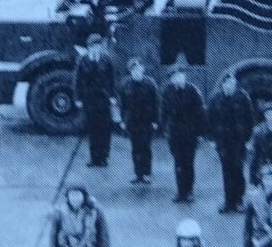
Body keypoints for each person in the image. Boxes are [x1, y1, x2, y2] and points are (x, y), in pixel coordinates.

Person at [161, 60, 207, 204]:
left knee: (189, 162)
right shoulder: (167, 91)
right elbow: (163, 112)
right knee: (178, 162)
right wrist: (164, 129)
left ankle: (189, 191)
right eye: (175, 77)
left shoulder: (192, 91)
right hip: (175, 133)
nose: (178, 79)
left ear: (185, 77)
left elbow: (200, 113)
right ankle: (180, 191)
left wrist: (200, 133)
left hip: (190, 133)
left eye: (180, 76)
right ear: (172, 79)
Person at [208, 71, 254, 213]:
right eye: (227, 83)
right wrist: (212, 139)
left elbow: (250, 119)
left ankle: (239, 201)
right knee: (226, 171)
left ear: (235, 84)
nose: (229, 86)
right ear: (222, 85)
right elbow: (210, 120)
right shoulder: (216, 99)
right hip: (223, 141)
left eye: (232, 84)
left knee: (238, 170)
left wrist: (249, 139)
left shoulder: (243, 98)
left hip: (239, 140)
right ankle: (228, 201)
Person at [73, 33, 116, 168]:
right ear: (89, 47)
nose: (95, 49)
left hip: (103, 99)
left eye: (98, 46)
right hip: (89, 99)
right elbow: (78, 80)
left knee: (105, 129)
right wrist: (78, 98)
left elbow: (112, 79)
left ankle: (104, 157)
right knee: (92, 128)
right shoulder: (83, 60)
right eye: (93, 46)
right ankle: (94, 157)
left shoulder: (106, 60)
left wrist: (113, 96)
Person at [118, 57, 161, 185]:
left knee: (146, 147)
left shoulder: (150, 84)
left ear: (142, 69)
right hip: (132, 121)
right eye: (133, 70)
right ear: (130, 71)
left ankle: (146, 173)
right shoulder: (125, 84)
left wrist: (155, 120)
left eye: (138, 69)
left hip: (146, 120)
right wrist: (122, 120)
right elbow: (122, 104)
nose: (136, 72)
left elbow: (156, 104)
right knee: (135, 147)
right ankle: (138, 174)